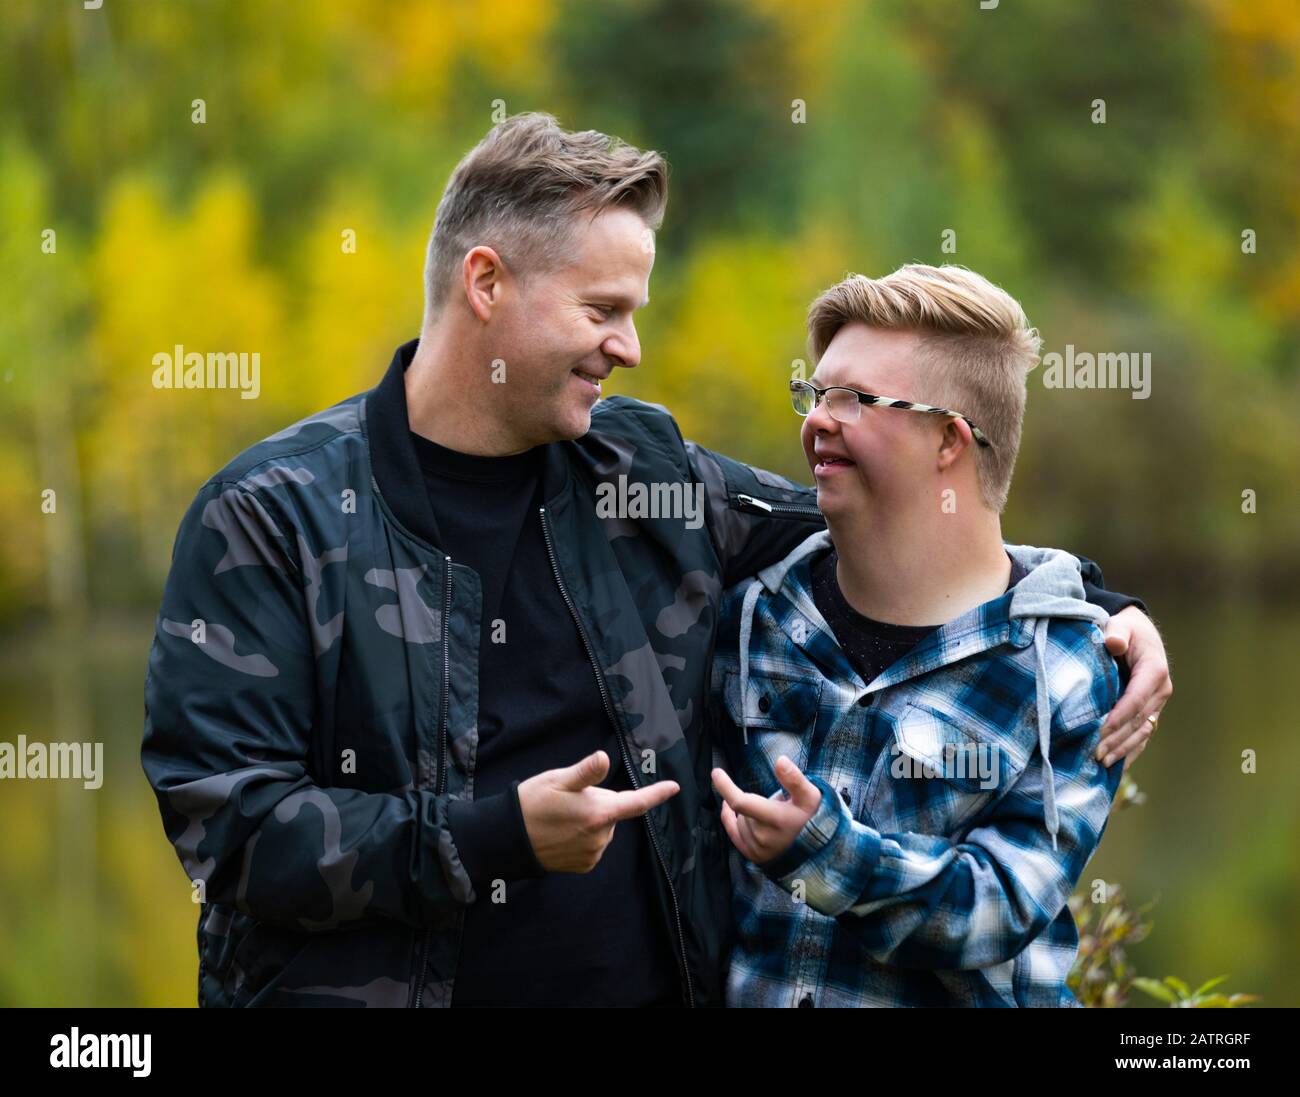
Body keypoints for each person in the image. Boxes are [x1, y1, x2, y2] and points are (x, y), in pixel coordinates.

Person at [141, 115, 1169, 1007]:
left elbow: (884, 515)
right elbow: (230, 830)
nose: (629, 346)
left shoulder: (640, 471)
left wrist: (1089, 600)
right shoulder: (275, 516)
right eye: (603, 311)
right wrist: (494, 834)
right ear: (487, 284)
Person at [711, 264, 1160, 1006]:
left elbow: (997, 907)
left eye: (854, 400)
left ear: (950, 440)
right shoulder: (752, 613)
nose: (817, 418)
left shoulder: (1070, 670)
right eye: (816, 394)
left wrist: (828, 852)